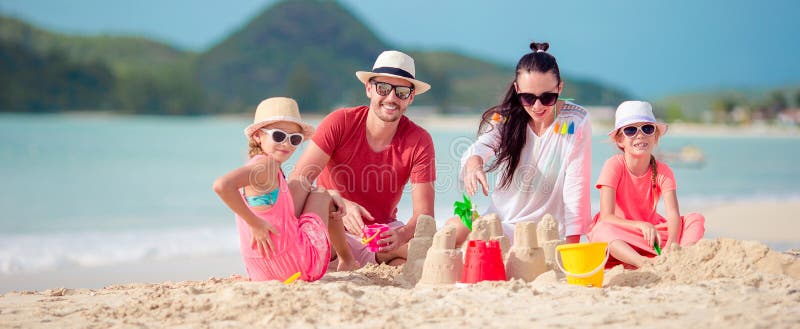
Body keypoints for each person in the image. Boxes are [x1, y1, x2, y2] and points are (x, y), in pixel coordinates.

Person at [290, 50, 436, 267]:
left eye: (402, 92)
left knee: (422, 253)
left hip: (382, 237)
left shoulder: (419, 140)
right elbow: (299, 181)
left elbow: (425, 217)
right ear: (369, 88)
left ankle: (383, 258)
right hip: (334, 231)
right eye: (383, 88)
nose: (391, 98)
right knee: (320, 234)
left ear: (411, 97)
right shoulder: (340, 122)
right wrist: (340, 203)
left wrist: (401, 234)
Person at [447, 41, 592, 246]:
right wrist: (474, 164)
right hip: (500, 223)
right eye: (528, 98)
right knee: (454, 227)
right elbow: (482, 146)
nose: (537, 106)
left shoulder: (576, 121)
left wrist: (571, 245)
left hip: (543, 234)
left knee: (480, 242)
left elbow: (576, 188)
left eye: (547, 97)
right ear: (517, 89)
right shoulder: (505, 118)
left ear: (560, 87)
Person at [213, 97, 359, 282]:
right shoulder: (267, 167)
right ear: (258, 136)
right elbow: (222, 185)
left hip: (260, 271)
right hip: (295, 266)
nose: (287, 144)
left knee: (309, 188)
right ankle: (347, 260)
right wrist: (255, 223)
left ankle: (346, 258)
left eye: (294, 139)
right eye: (279, 136)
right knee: (321, 194)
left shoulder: (258, 167)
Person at [587, 101, 705, 268]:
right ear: (620, 140)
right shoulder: (614, 165)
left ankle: (679, 255)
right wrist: (640, 225)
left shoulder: (664, 171)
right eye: (630, 130)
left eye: (647, 129)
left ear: (655, 137)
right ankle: (642, 262)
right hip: (621, 233)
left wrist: (671, 245)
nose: (640, 135)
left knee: (695, 220)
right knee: (601, 229)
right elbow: (607, 216)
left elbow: (673, 214)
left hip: (652, 234)